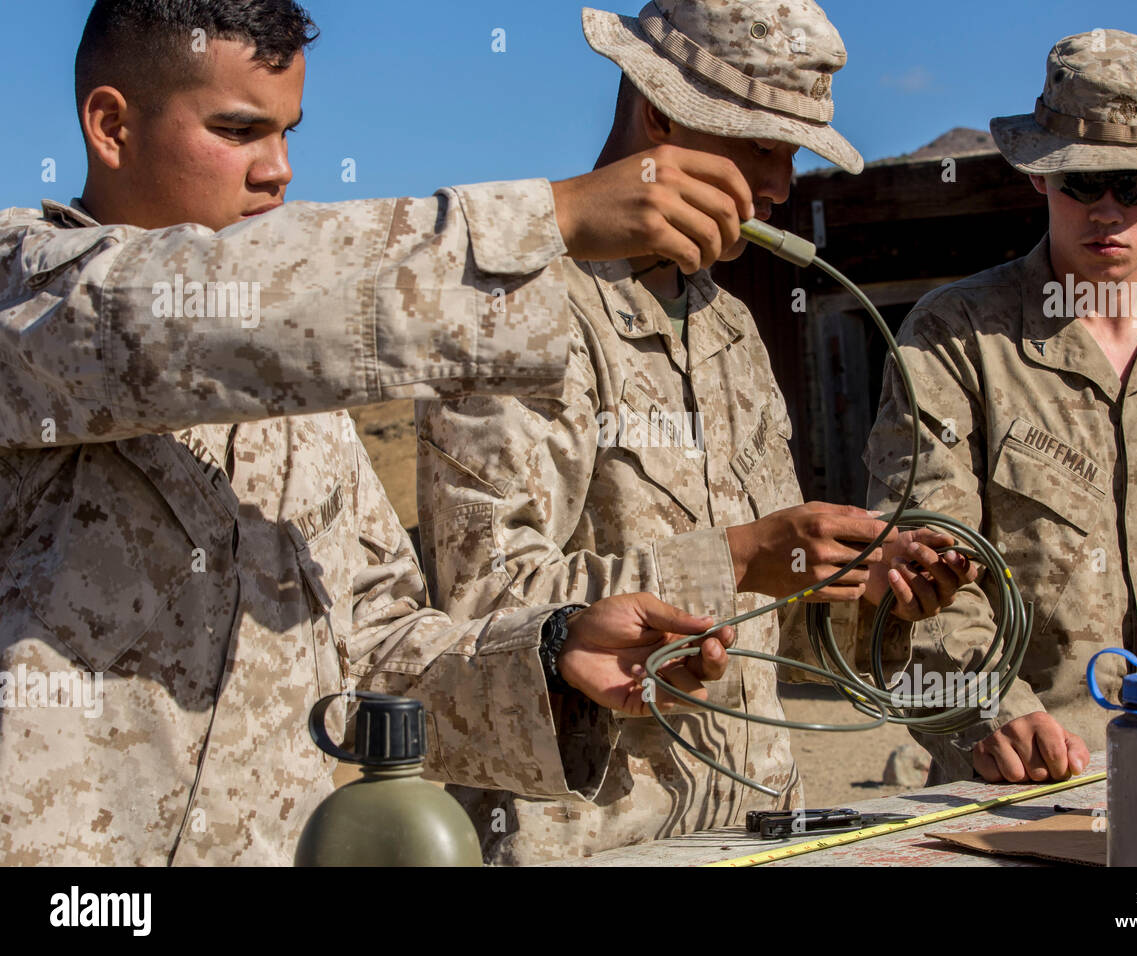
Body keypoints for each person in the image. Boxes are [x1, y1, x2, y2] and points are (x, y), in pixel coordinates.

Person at [0, 0, 753, 865]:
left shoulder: (295, 397)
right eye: (239, 130)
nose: (278, 171)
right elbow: (178, 311)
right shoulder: (29, 300)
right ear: (110, 125)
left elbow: (376, 654)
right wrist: (545, 221)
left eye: (288, 132)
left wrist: (550, 658)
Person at [416, 0, 975, 864]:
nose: (782, 187)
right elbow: (482, 613)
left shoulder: (731, 329)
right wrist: (740, 555)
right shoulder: (516, 316)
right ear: (659, 113)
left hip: (754, 832)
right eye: (761, 149)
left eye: (791, 155)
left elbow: (771, 625)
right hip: (587, 842)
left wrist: (865, 594)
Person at [865, 29, 1137, 786]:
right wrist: (986, 704)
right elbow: (922, 562)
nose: (1107, 210)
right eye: (1081, 181)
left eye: (1133, 183)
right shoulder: (955, 338)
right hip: (1027, 779)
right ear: (1039, 178)